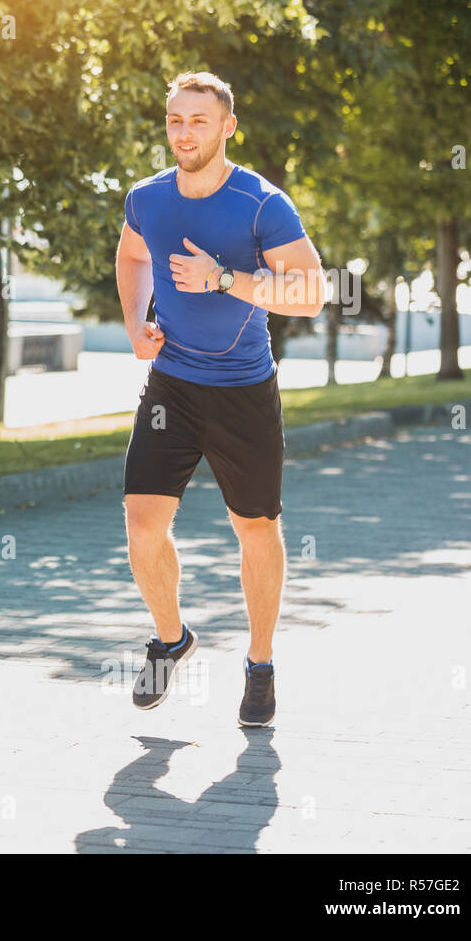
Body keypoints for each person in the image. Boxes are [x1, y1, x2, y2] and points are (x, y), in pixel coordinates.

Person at [115, 72, 327, 727]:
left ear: (227, 126)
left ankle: (259, 663)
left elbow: (311, 292)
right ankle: (170, 637)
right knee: (143, 523)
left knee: (255, 527)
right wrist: (134, 323)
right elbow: (130, 258)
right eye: (176, 120)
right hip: (172, 384)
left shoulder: (262, 203)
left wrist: (225, 279)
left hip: (243, 391)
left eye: (198, 121)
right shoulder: (147, 198)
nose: (184, 132)